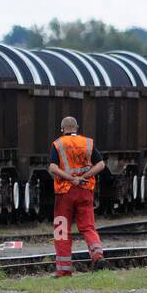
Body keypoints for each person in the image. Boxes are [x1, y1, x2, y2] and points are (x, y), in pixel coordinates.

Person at [48, 116, 106, 277]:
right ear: (77, 127)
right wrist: (84, 177)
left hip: (64, 192)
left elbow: (53, 168)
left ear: (62, 128)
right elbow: (101, 164)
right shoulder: (87, 142)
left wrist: (70, 178)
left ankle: (64, 270)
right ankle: (97, 256)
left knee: (61, 230)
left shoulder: (58, 144)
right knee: (88, 227)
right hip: (85, 190)